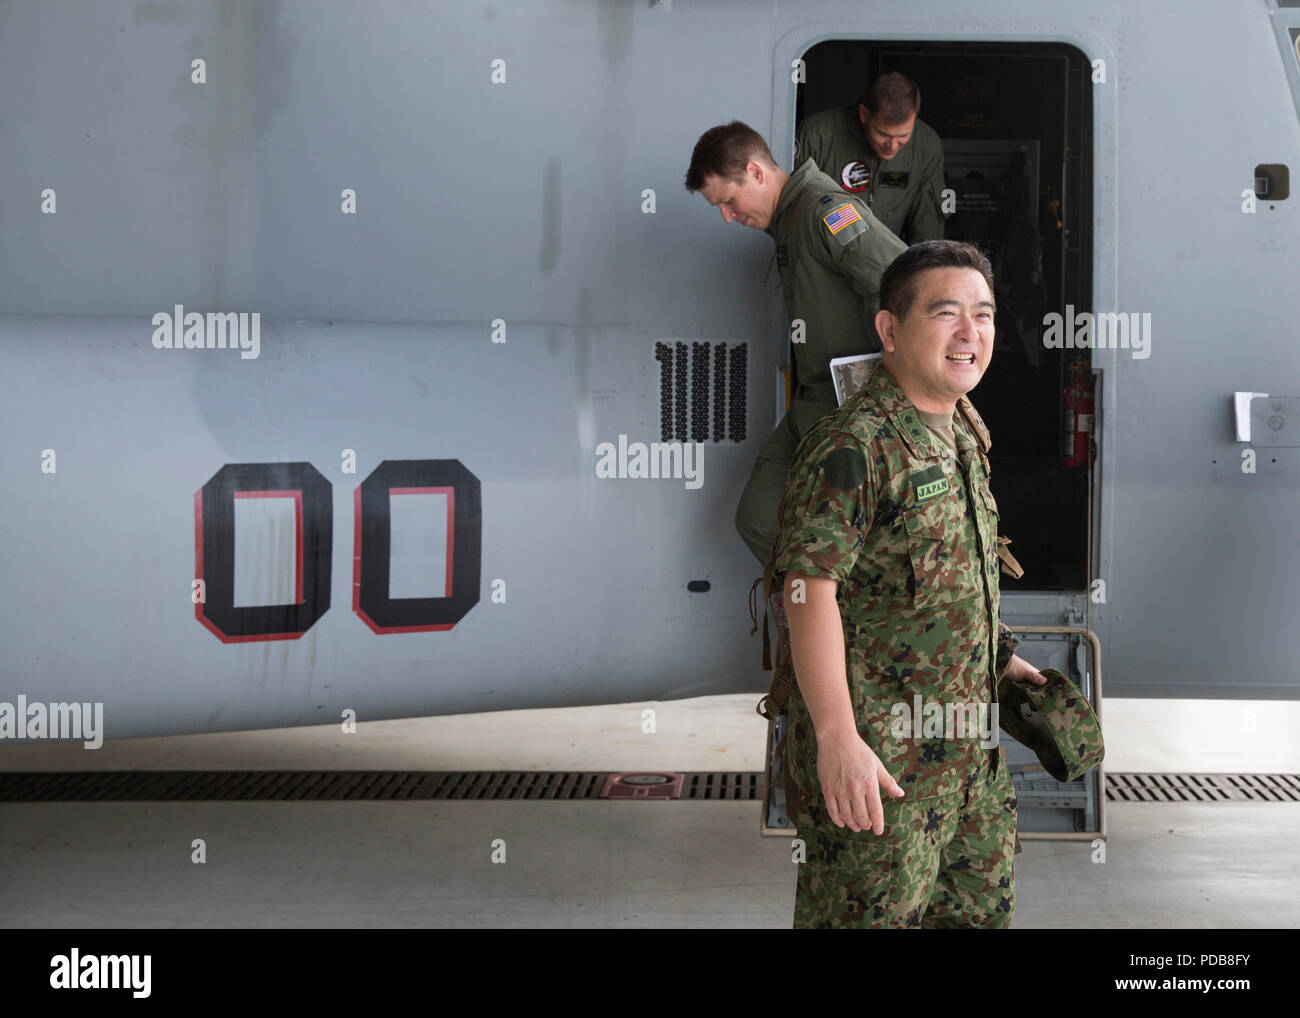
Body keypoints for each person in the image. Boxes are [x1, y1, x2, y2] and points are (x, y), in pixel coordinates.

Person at [771, 240, 1047, 929]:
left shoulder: (961, 435)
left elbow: (944, 574)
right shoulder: (853, 445)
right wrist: (836, 738)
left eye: (982, 316)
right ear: (889, 330)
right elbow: (808, 591)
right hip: (881, 773)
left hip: (967, 764)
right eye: (946, 313)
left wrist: (999, 654)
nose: (969, 334)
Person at [684, 121, 906, 565]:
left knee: (862, 536)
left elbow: (908, 281)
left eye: (728, 201)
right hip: (814, 405)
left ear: (756, 172)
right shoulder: (788, 222)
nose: (727, 216)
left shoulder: (824, 211)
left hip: (856, 412)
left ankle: (856, 619)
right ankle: (831, 617)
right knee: (760, 519)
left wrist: (900, 386)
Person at [796, 71, 947, 243]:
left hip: (889, 263)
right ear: (864, 114)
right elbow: (795, 213)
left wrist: (923, 268)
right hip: (822, 258)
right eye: (883, 134)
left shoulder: (926, 144)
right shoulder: (817, 136)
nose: (892, 146)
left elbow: (928, 225)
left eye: (903, 137)